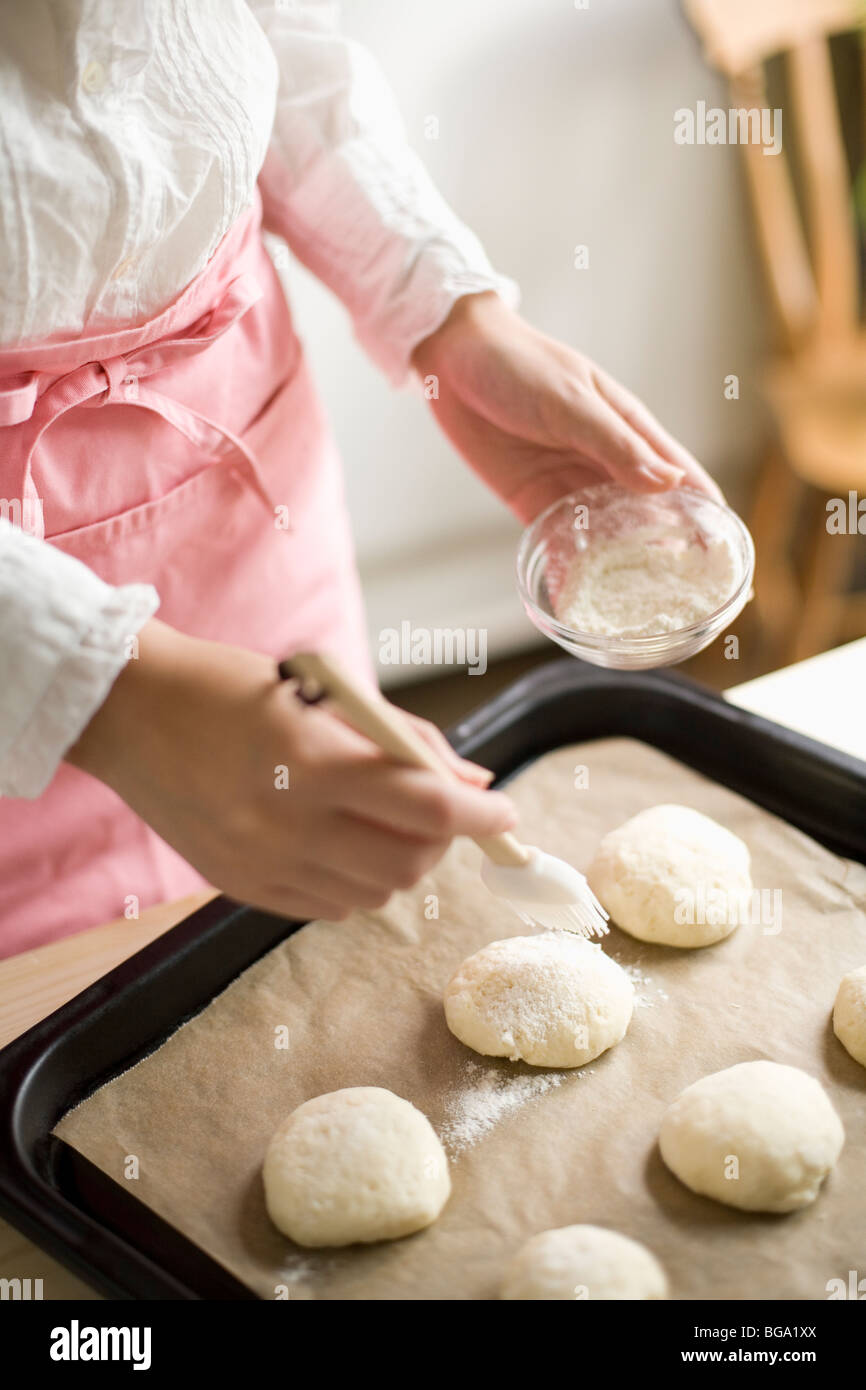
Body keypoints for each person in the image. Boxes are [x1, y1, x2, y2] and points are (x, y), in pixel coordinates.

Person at [0, 1, 721, 957]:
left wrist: (448, 312)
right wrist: (97, 688)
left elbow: (274, 29)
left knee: (309, 912)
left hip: (238, 456)